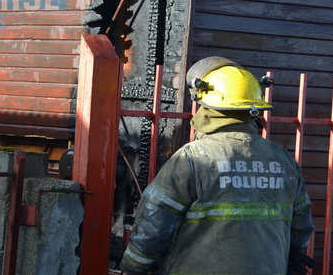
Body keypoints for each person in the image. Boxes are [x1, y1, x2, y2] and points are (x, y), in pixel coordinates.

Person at [120, 57, 314, 275]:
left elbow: (154, 226)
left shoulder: (192, 158)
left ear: (206, 106)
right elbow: (301, 226)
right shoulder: (283, 160)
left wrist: (132, 267)